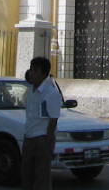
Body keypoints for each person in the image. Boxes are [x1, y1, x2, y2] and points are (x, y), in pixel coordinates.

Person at [22, 56, 61, 189]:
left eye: (35, 71)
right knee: (27, 175)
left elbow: (53, 119)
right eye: (31, 69)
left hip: (42, 138)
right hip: (29, 136)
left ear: (43, 74)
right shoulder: (31, 90)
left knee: (42, 177)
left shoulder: (51, 93)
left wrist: (47, 140)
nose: (31, 73)